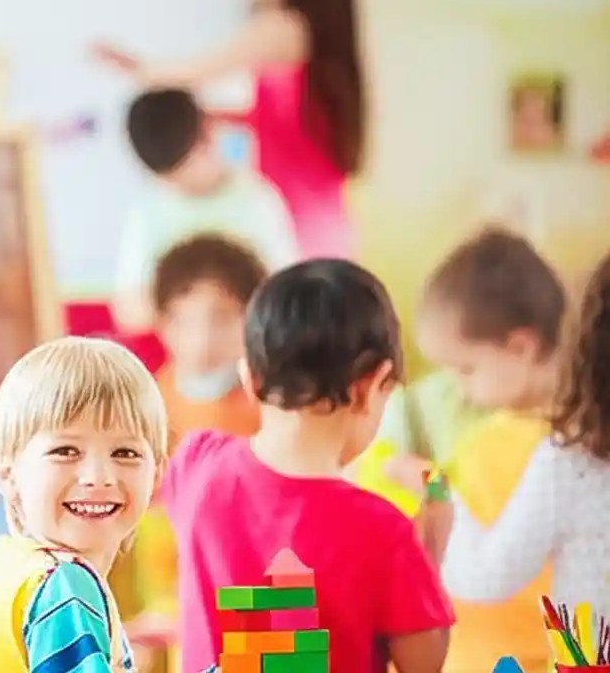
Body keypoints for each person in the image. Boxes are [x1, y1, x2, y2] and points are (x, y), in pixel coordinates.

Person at [158, 259, 454, 673]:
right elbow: (423, 664)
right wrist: (432, 546)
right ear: (371, 386)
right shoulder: (384, 531)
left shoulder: (195, 463)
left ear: (250, 378)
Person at [358, 226, 567, 671]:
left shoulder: (510, 448)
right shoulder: (547, 435)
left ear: (521, 347)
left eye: (466, 369)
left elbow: (456, 546)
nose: (459, 388)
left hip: (498, 654)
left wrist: (424, 480)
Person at [95, 0, 365, 261]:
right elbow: (277, 121)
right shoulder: (304, 32)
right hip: (314, 213)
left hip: (299, 216)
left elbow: (196, 71)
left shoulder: (281, 27)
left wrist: (140, 70)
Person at [0, 336, 168, 673]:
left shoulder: (15, 564)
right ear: (7, 472)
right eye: (65, 451)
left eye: (125, 453)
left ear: (157, 473)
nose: (97, 477)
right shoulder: (64, 585)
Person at [111, 235, 267, 672]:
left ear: (253, 321)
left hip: (248, 576)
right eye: (183, 321)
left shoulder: (267, 401)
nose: (203, 339)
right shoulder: (146, 401)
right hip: (168, 576)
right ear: (161, 323)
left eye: (221, 319)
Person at [436, 247, 610, 630]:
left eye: (465, 370)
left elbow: (487, 576)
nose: (459, 390)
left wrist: (439, 495)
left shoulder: (569, 463)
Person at [113, 87, 298, 332]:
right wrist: (188, 307)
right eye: (169, 178)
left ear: (208, 135)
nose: (176, 184)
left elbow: (286, 293)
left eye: (184, 170)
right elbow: (129, 311)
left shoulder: (256, 200)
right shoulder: (149, 210)